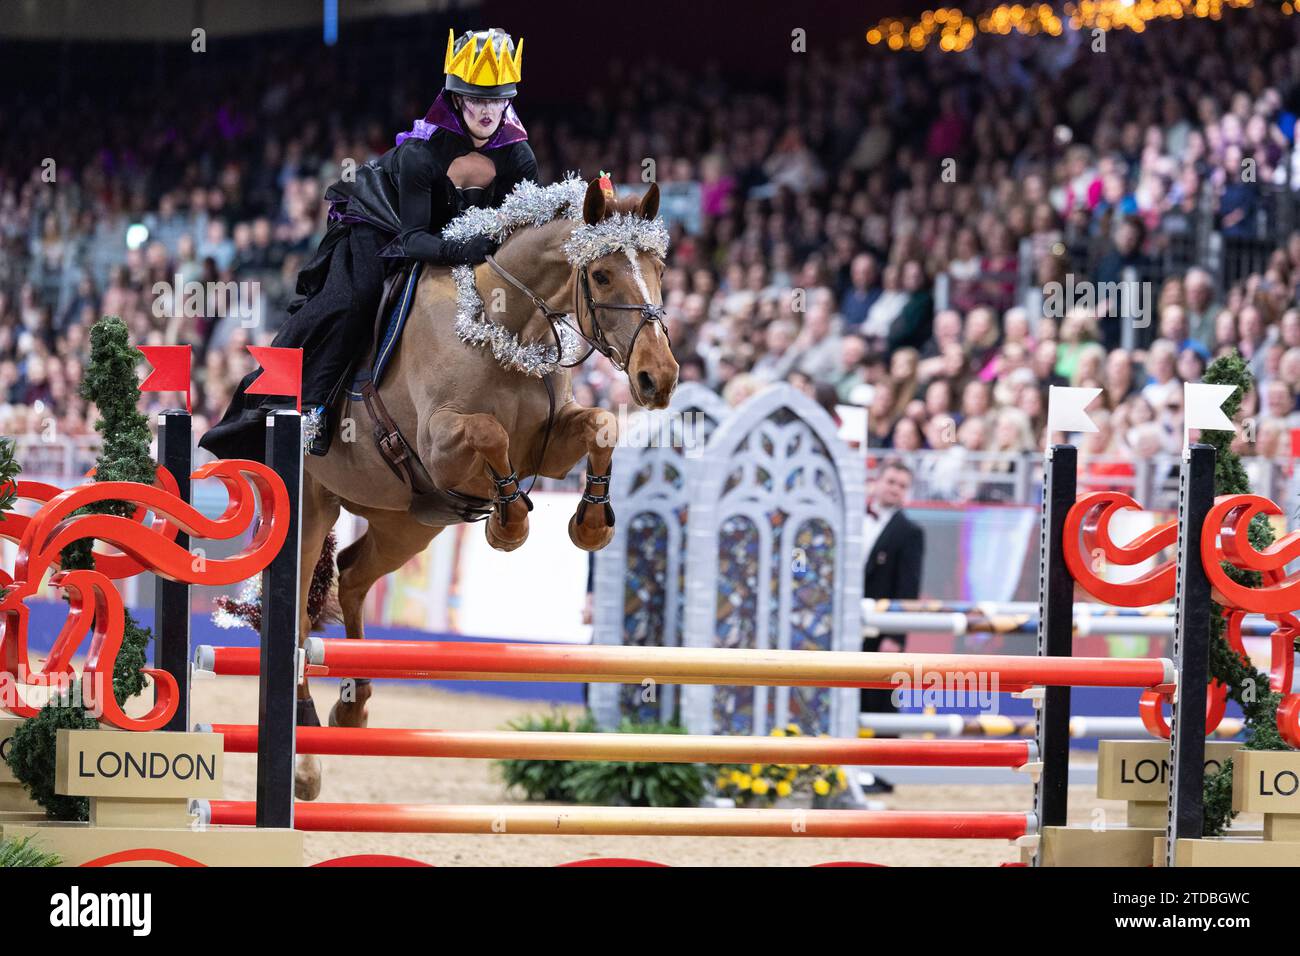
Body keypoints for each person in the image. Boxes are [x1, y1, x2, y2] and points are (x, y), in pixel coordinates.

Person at [201, 28, 537, 460]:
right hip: (381, 223)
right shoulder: (423, 153)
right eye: (476, 98)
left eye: (495, 99)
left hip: (446, 235)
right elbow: (413, 240)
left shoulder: (519, 156)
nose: (487, 111)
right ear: (456, 97)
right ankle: (317, 406)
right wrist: (462, 250)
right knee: (358, 299)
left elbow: (526, 226)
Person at [860, 460, 925, 792]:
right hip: (847, 626)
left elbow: (908, 588)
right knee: (847, 694)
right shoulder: (852, 519)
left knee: (882, 699)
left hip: (882, 629)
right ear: (876, 481)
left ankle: (882, 774)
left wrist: (896, 635)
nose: (894, 488)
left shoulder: (911, 532)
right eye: (890, 481)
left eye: (901, 485)